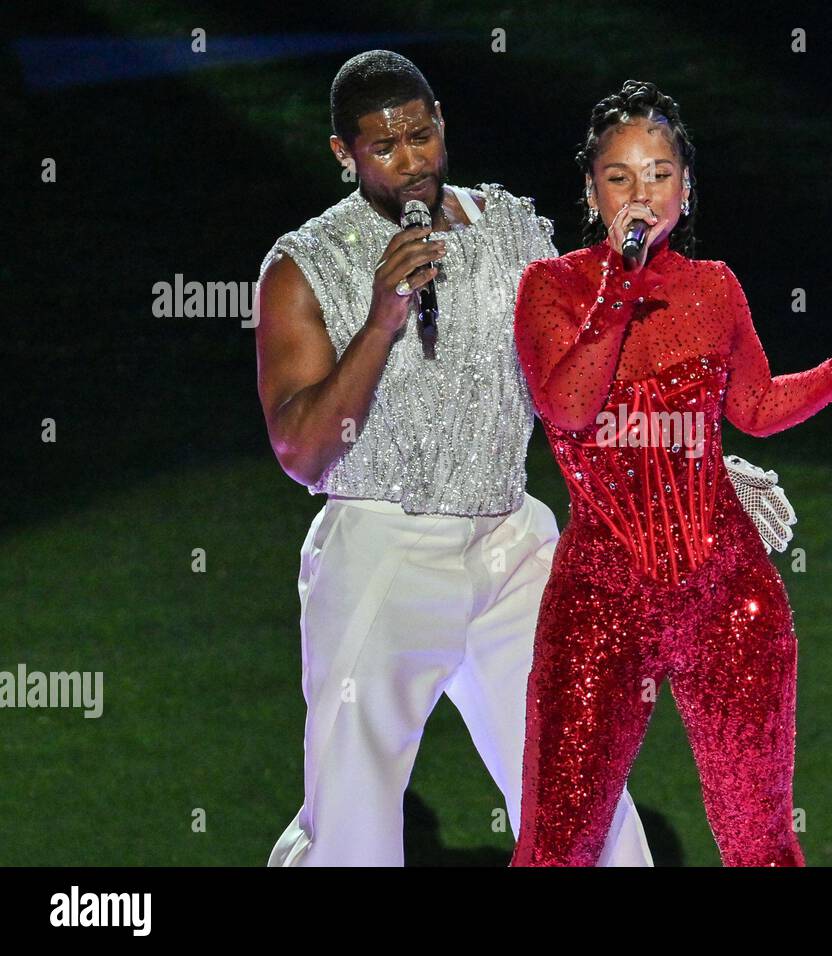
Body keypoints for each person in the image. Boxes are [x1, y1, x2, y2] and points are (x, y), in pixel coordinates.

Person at [510, 80, 832, 866]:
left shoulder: (714, 289)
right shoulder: (553, 288)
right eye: (620, 176)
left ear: (687, 185)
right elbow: (569, 409)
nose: (641, 193)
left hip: (726, 596)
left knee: (760, 842)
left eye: (659, 173)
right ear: (589, 188)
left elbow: (754, 406)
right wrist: (620, 281)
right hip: (600, 600)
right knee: (557, 845)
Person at [253, 50, 654, 866]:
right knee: (354, 819)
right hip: (383, 550)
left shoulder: (511, 227)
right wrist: (381, 320)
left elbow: (574, 375)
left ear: (442, 122)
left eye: (422, 135)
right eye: (383, 147)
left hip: (513, 542)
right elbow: (300, 451)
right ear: (344, 155)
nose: (411, 162)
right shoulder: (303, 266)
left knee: (583, 783)